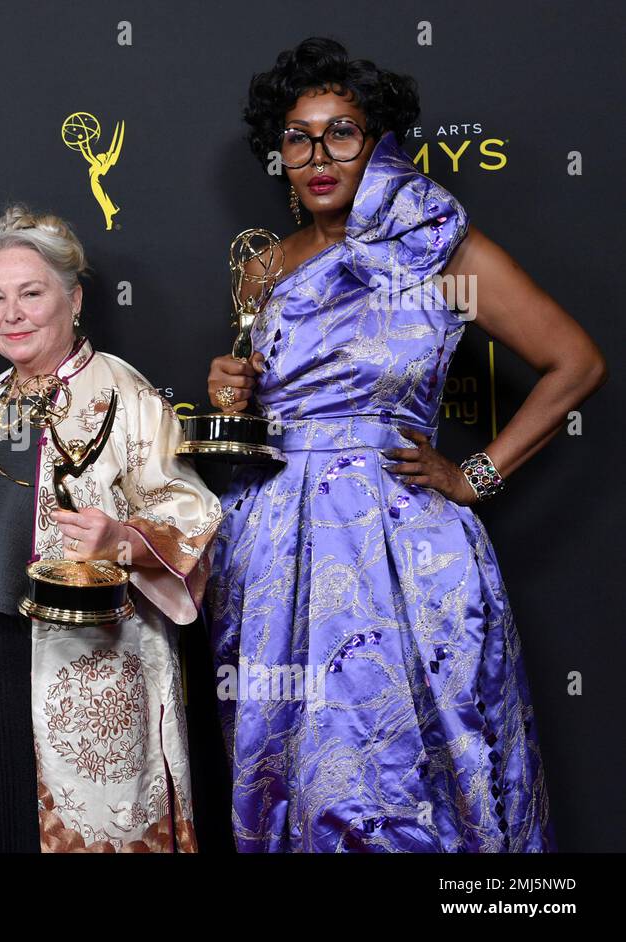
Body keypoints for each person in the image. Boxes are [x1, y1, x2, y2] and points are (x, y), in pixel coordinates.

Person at [205, 38, 607, 852]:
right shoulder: (263, 268)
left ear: (379, 142)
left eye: (341, 132)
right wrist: (228, 390)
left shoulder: (434, 246)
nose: (317, 156)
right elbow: (262, 396)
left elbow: (577, 361)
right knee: (290, 760)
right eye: (297, 136)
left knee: (401, 762)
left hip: (398, 548)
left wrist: (477, 473)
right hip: (275, 548)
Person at [0, 206, 221, 852]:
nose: (10, 313)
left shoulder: (124, 392)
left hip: (88, 666)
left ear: (73, 300)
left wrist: (121, 540)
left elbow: (190, 513)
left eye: (30, 293)